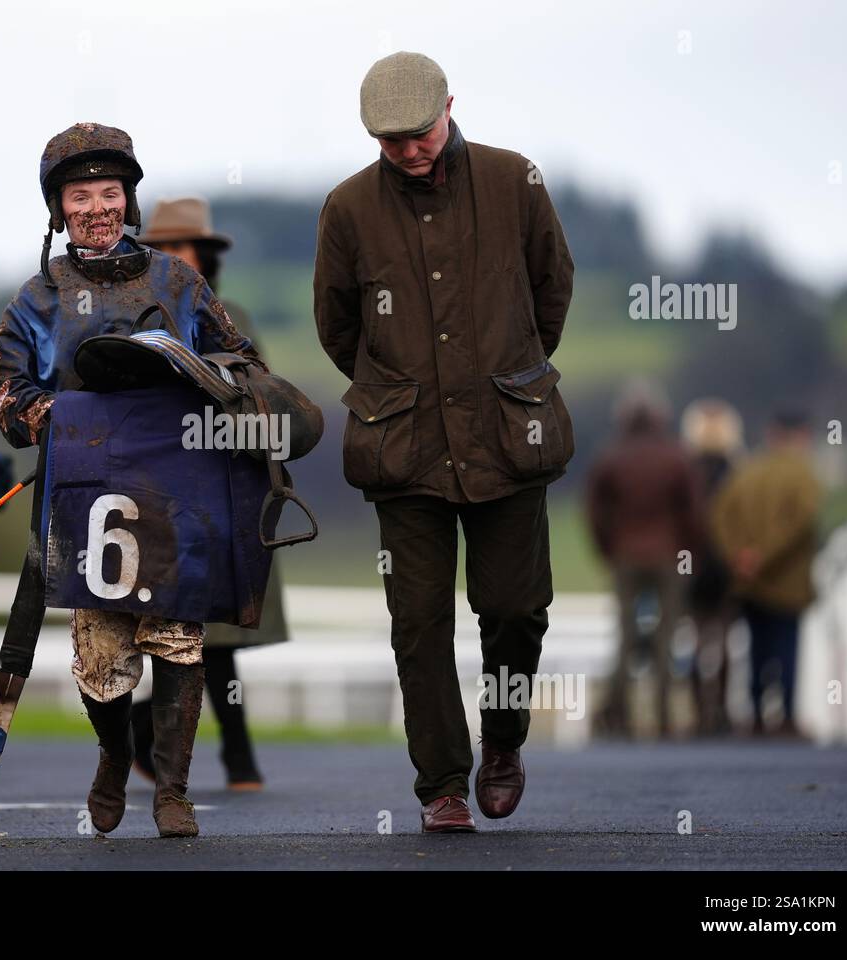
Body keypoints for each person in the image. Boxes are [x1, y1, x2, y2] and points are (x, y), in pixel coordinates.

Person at [313, 52, 574, 832]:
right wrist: (394, 391)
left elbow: (551, 287)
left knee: (517, 609)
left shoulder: (514, 180)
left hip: (508, 435)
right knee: (418, 621)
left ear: (451, 107)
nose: (408, 152)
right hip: (405, 451)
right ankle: (442, 785)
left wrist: (511, 371)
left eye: (419, 135)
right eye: (390, 142)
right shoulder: (348, 207)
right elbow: (337, 326)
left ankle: (504, 742)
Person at [0, 123, 263, 837]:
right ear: (59, 209)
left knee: (177, 637)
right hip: (85, 502)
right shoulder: (36, 298)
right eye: (81, 196)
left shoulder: (179, 282)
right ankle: (115, 752)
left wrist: (226, 390)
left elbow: (242, 365)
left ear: (129, 200)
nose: (98, 207)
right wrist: (48, 413)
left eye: (111, 192)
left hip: (177, 493)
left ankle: (173, 790)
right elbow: (5, 389)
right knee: (102, 662)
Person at [134, 196, 288, 790]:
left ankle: (164, 743)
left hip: (226, 493)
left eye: (182, 247)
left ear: (202, 254)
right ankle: (227, 759)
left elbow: (263, 404)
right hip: (164, 498)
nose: (174, 258)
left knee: (218, 638)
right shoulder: (140, 323)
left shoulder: (233, 318)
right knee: (190, 638)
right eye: (164, 249)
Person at [586, 381, 704, 738]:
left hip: (625, 555)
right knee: (666, 636)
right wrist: (690, 550)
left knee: (625, 637)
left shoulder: (611, 457)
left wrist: (607, 548)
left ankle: (616, 715)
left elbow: (594, 510)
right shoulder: (677, 456)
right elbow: (695, 513)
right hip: (669, 555)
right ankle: (665, 716)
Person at [711, 410, 821, 738]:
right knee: (787, 647)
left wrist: (740, 558)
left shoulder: (746, 472)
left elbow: (719, 516)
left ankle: (756, 715)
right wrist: (764, 555)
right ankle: (785, 717)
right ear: (799, 435)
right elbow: (801, 523)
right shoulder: (804, 475)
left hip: (749, 583)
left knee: (757, 647)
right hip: (788, 582)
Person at [680, 398, 745, 736]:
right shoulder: (737, 473)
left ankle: (698, 712)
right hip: (725, 563)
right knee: (722, 640)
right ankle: (720, 710)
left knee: (694, 638)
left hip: (690, 562)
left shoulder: (685, 469)